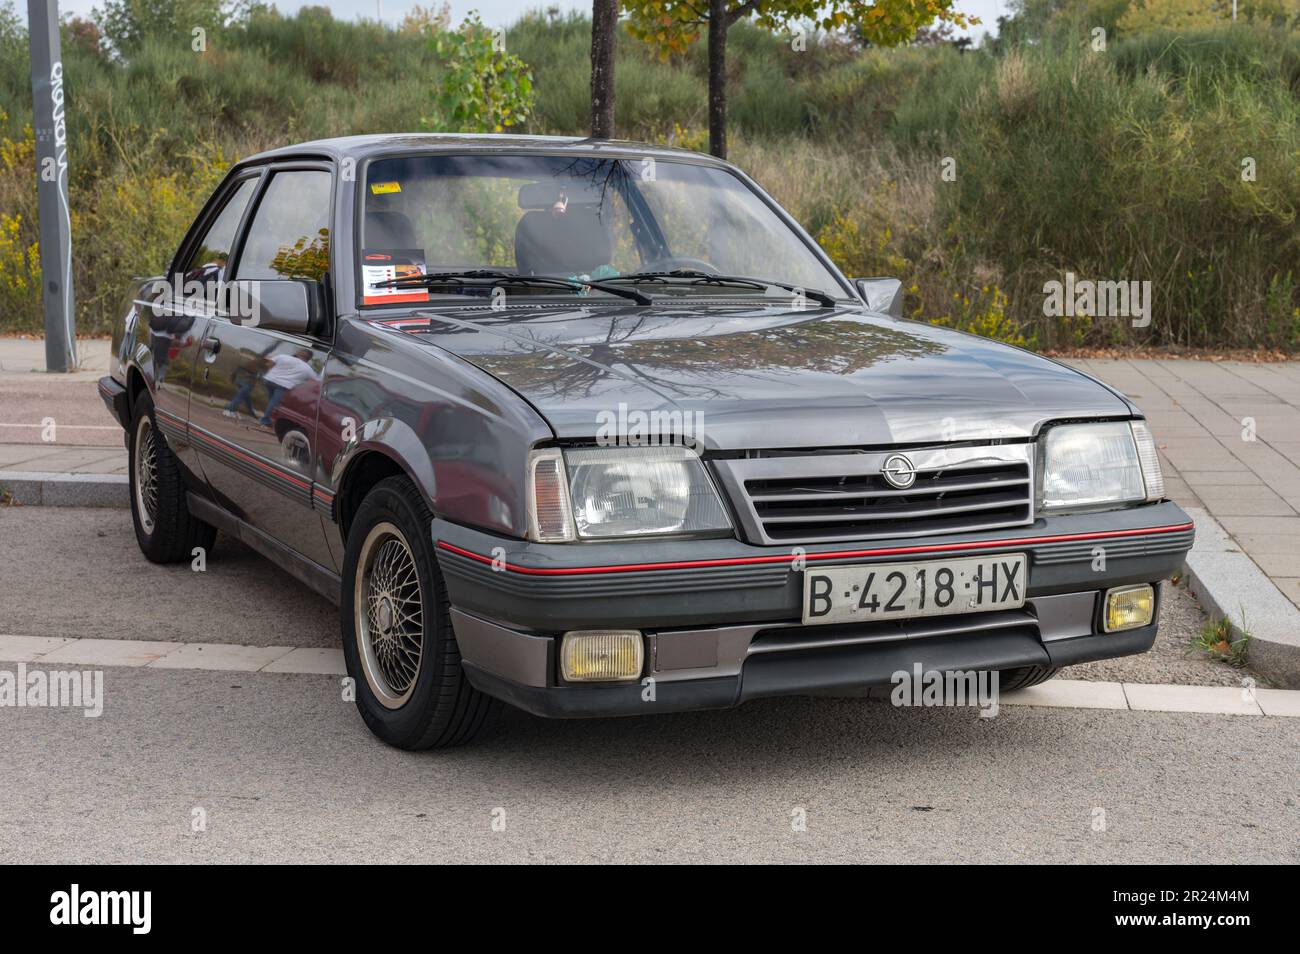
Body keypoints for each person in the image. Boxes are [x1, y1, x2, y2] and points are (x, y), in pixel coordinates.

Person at [259, 348, 316, 426]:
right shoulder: (308, 369)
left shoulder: (283, 356)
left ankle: (270, 418)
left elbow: (268, 364)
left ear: (297, 353)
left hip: (269, 380)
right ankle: (265, 420)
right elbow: (314, 381)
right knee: (274, 403)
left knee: (272, 401)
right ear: (308, 358)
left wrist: (273, 373)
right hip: (284, 385)